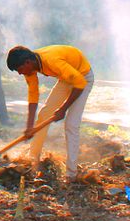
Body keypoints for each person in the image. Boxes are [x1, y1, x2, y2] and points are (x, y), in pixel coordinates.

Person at [6, 44, 94, 179]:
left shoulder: (52, 61)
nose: (20, 73)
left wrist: (63, 109)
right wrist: (30, 127)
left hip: (83, 78)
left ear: (27, 62)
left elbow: (79, 83)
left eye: (19, 69)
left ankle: (71, 174)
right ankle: (33, 159)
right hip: (66, 78)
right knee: (44, 115)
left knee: (71, 124)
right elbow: (33, 95)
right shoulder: (30, 67)